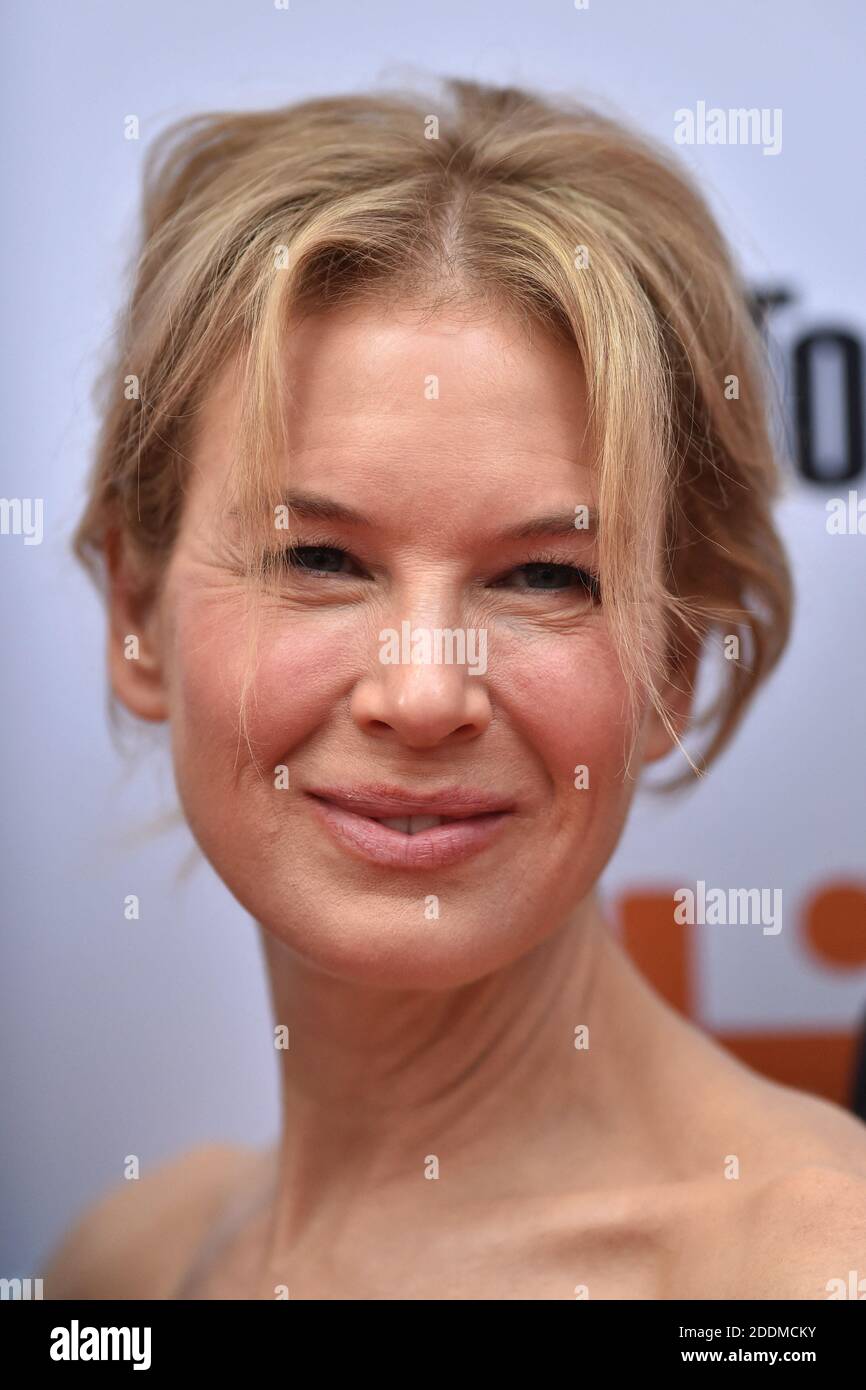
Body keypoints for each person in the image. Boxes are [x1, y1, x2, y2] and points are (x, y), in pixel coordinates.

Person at [46, 78, 866, 1300]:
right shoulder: (124, 1267)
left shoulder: (793, 1284)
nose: (426, 693)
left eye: (542, 575)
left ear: (674, 666)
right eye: (318, 560)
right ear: (135, 618)